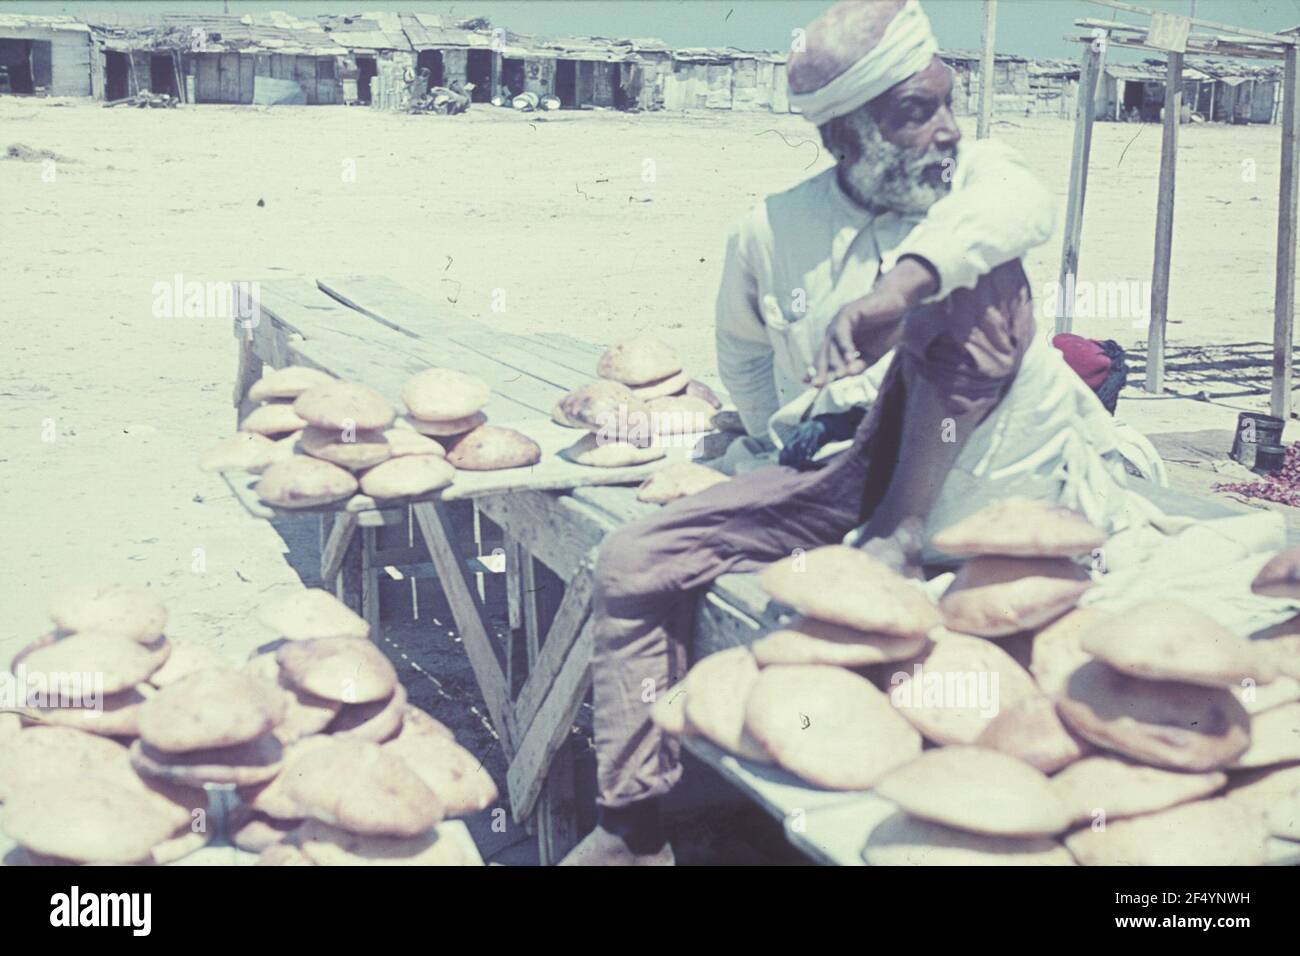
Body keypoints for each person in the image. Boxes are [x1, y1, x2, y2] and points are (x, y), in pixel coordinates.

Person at [560, 0, 1127, 867]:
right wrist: (767, 437)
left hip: (987, 477)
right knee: (634, 560)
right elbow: (742, 353)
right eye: (914, 113)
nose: (945, 131)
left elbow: (1016, 204)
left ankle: (899, 540)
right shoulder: (773, 228)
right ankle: (633, 822)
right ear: (842, 138)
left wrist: (897, 291)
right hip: (839, 471)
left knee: (970, 284)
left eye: (948, 102)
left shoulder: (984, 182)